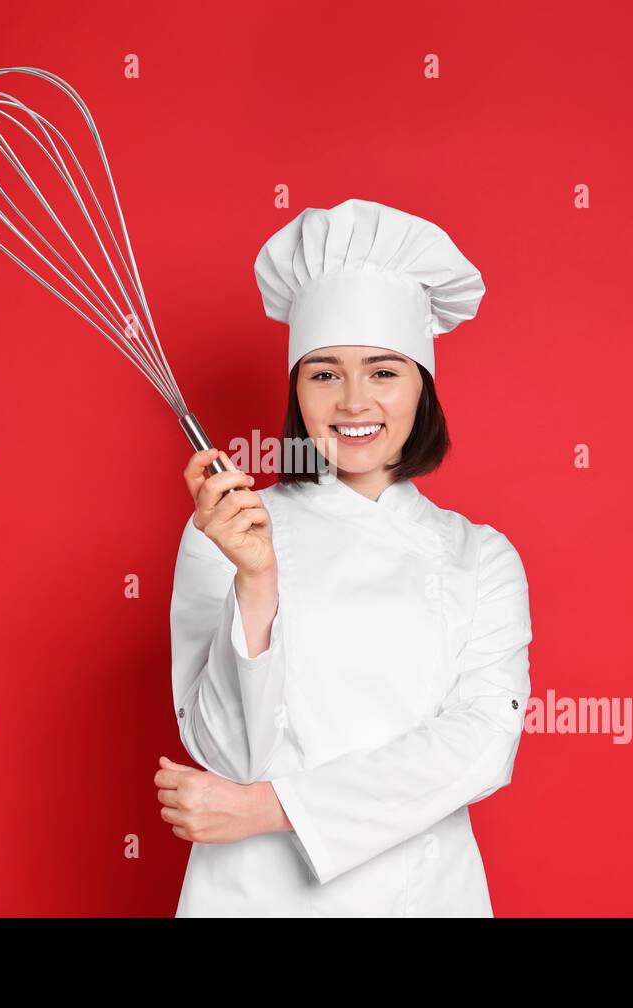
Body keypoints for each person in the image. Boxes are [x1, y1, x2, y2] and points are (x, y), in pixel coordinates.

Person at [155, 197, 533, 917]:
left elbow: (481, 746)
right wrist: (257, 577)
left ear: (423, 386)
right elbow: (226, 755)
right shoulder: (229, 530)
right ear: (297, 388)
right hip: (255, 898)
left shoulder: (480, 558)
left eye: (384, 372)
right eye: (324, 373)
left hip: (423, 895)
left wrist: (270, 811)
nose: (353, 401)